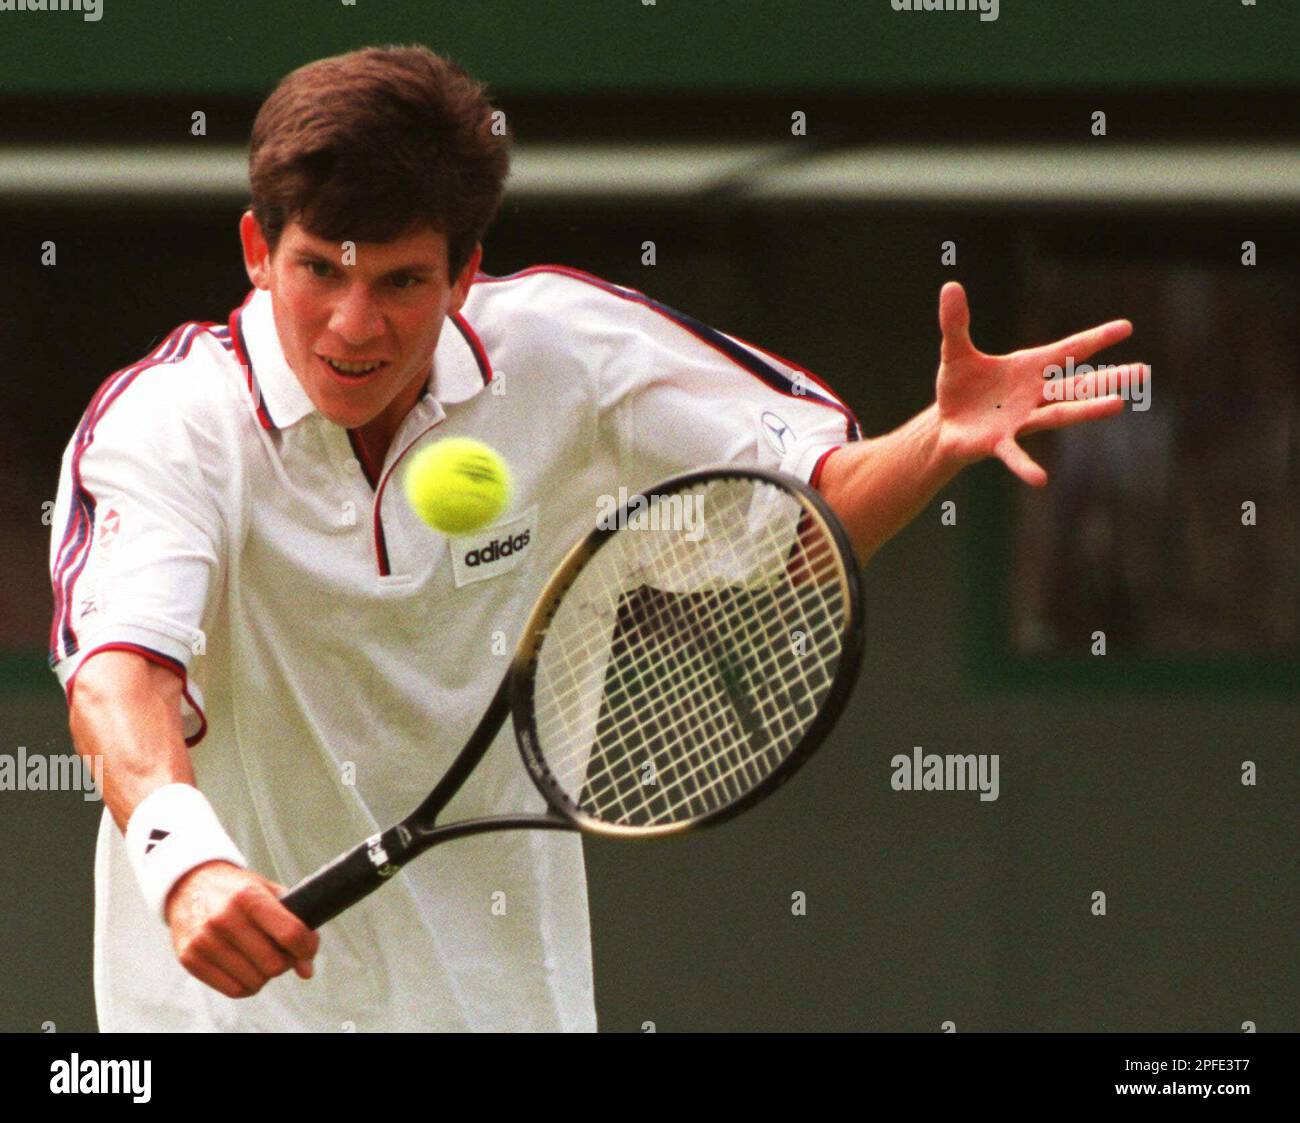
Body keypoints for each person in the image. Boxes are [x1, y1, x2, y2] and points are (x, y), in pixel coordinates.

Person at [49, 44, 1146, 1031]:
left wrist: (937, 440)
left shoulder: (572, 358)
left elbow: (802, 528)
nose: (353, 325)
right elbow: (120, 673)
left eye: (401, 282)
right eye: (319, 270)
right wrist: (181, 859)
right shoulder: (170, 423)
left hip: (507, 1009)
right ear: (257, 248)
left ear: (464, 270)